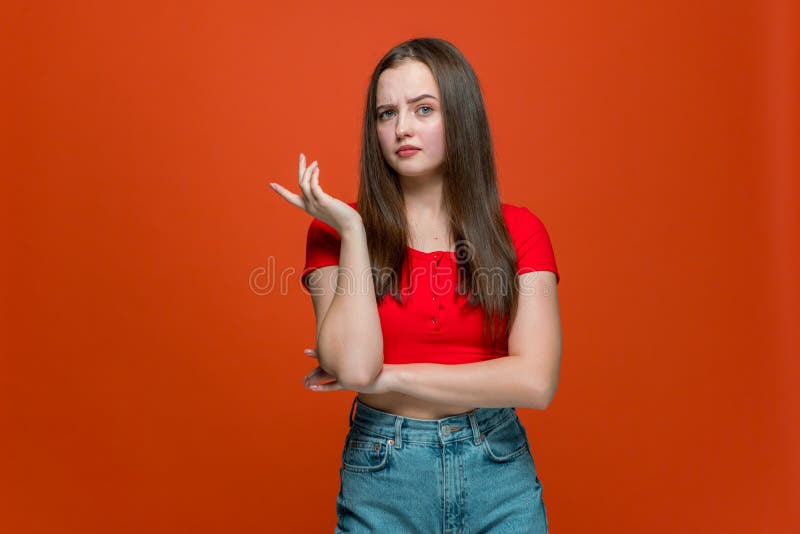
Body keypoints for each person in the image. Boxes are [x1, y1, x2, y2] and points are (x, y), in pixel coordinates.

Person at [269, 37, 561, 534]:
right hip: (384, 475)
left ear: (461, 118)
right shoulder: (334, 232)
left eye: (423, 109)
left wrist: (393, 378)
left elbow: (535, 382)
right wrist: (355, 233)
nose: (402, 128)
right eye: (386, 114)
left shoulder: (520, 232)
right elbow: (356, 367)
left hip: (498, 472)